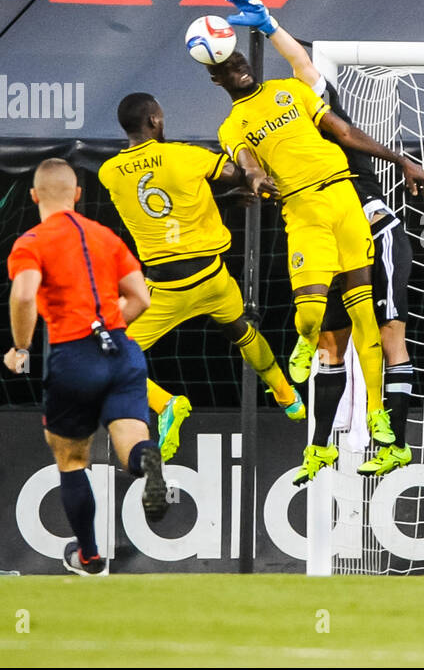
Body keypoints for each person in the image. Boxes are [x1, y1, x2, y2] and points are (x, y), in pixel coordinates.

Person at [206, 0, 424, 484]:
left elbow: (302, 63)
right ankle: (321, 447)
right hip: (318, 228)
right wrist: (254, 177)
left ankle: (395, 442)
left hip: (368, 221)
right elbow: (247, 159)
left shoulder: (311, 97)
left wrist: (270, 26)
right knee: (329, 340)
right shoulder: (256, 123)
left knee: (388, 334)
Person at [98, 93, 305, 464]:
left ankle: (167, 404)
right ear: (156, 120)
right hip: (213, 278)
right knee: (240, 329)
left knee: (108, 356)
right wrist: (242, 185)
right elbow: (239, 174)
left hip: (164, 288)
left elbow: (161, 209)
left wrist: (225, 197)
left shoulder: (109, 172)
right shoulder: (187, 155)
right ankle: (285, 393)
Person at [3, 158, 169, 575]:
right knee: (132, 440)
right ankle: (148, 462)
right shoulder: (106, 237)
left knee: (73, 459)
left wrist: (20, 347)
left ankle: (91, 556)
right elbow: (142, 298)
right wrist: (108, 328)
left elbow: (24, 296)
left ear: (34, 196)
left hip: (74, 356)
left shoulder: (32, 242)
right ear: (78, 195)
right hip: (122, 351)